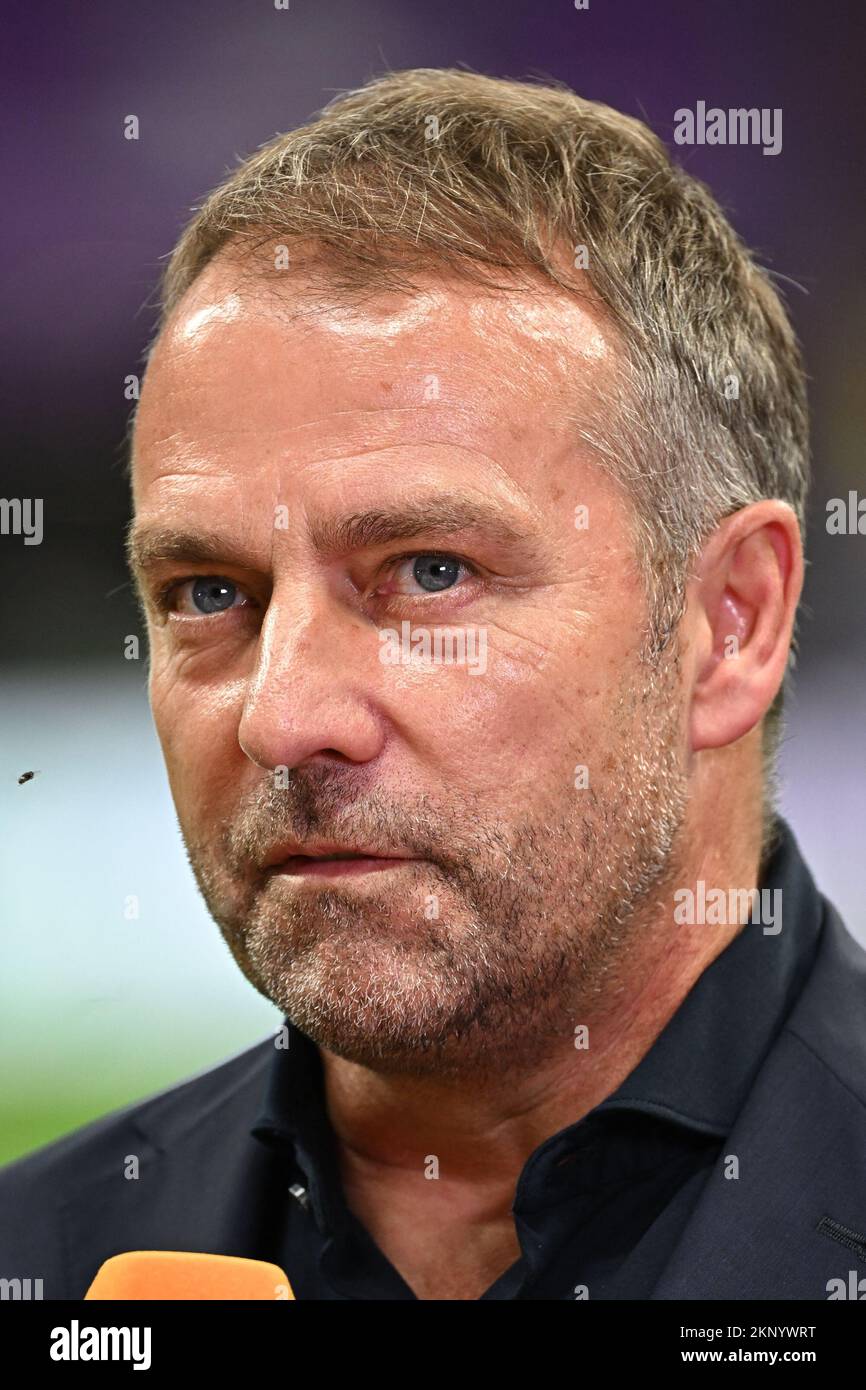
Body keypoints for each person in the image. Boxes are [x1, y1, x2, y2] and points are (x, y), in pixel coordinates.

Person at [2, 68, 864, 1302]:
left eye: (428, 571)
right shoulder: (40, 1267)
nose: (283, 716)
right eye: (207, 592)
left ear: (728, 624)